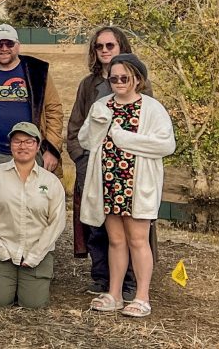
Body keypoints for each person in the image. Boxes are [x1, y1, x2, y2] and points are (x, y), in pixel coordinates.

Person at [79, 54, 175, 318]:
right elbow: (86, 140)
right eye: (114, 78)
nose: (119, 82)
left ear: (137, 79)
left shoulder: (152, 108)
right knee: (116, 240)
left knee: (138, 240)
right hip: (109, 183)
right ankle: (115, 294)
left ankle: (142, 296)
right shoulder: (102, 105)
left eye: (125, 78)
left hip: (136, 183)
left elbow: (166, 145)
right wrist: (99, 124)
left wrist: (123, 138)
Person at [66, 26, 149, 298]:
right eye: (99, 46)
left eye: (110, 46)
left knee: (130, 227)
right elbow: (75, 128)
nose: (104, 51)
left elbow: (149, 128)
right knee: (97, 227)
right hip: (93, 166)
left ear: (121, 46)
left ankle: (131, 282)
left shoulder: (139, 84)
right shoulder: (89, 85)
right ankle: (102, 277)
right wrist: (81, 160)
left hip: (128, 168)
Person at [0, 122, 66, 308]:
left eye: (29, 141)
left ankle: (29, 282)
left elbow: (57, 222)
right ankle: (3, 279)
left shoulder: (51, 181)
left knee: (33, 304)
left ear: (38, 146)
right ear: (10, 145)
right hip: (2, 252)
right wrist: (0, 250)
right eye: (17, 141)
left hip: (35, 254)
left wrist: (35, 255)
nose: (22, 146)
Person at [0, 23, 63, 183]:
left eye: (9, 43)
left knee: (32, 204)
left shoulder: (37, 72)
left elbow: (53, 111)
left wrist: (51, 149)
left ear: (18, 45)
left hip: (31, 152)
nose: (4, 48)